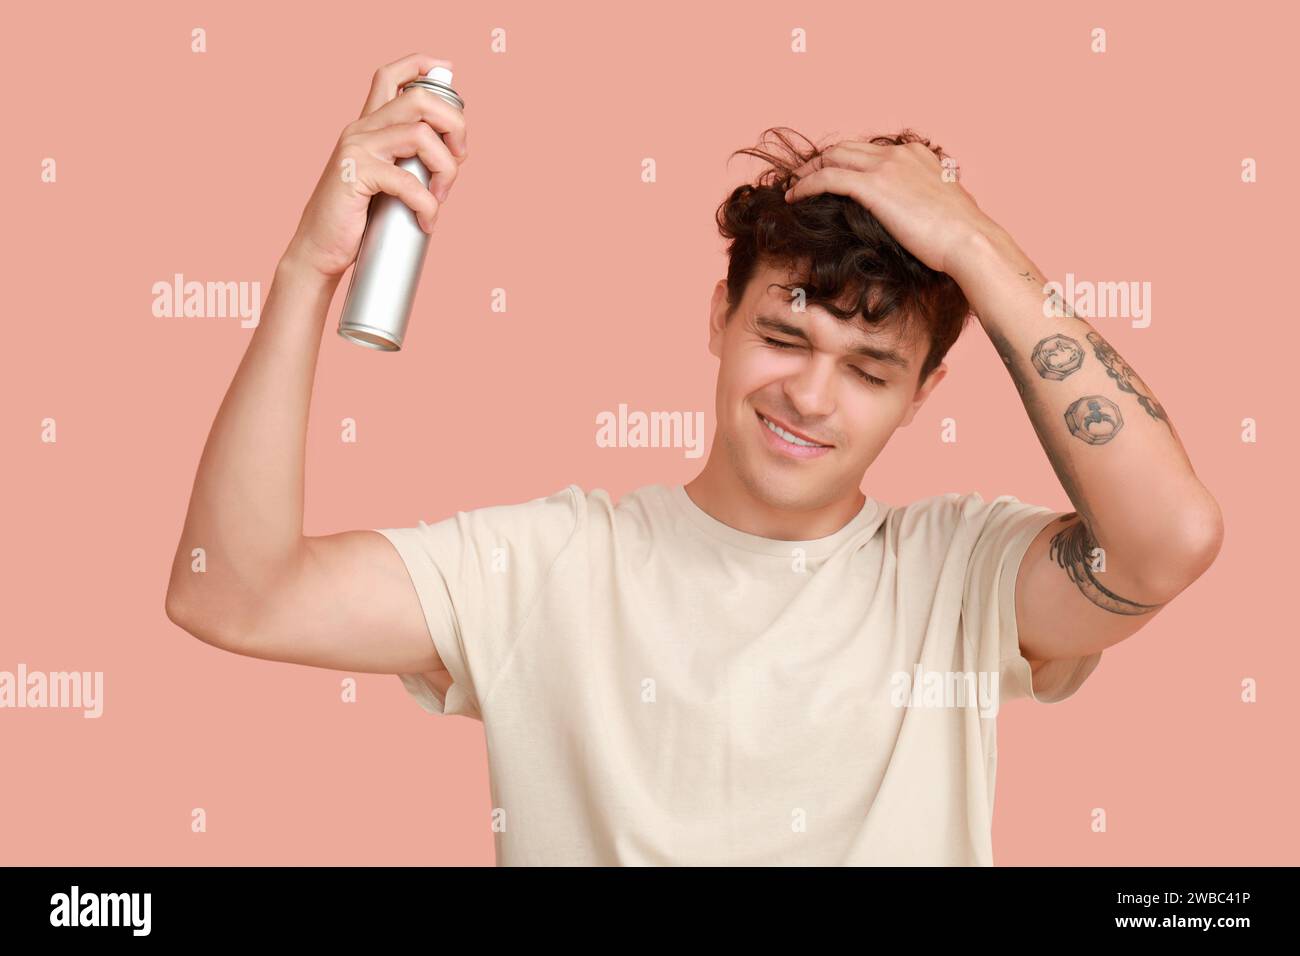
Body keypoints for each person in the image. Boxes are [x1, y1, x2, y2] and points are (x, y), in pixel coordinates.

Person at [164, 53, 1224, 866]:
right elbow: (235, 595)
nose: (810, 394)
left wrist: (978, 250)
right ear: (720, 316)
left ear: (922, 394)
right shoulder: (551, 564)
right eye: (785, 334)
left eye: (868, 367)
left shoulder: (959, 576)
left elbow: (1168, 540)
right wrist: (311, 266)